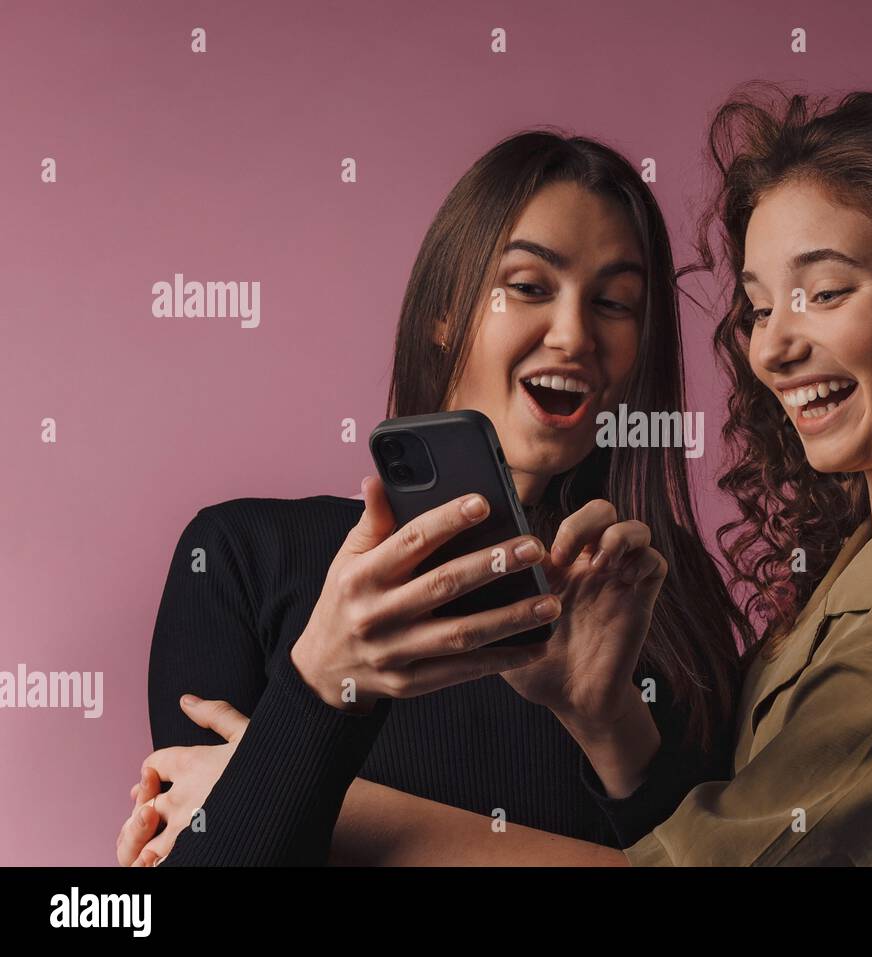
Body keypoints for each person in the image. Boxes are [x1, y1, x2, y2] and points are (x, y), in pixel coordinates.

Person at [116, 130, 748, 866]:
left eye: (614, 302)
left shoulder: (652, 594)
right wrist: (322, 683)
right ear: (443, 311)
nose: (575, 334)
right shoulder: (238, 557)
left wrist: (609, 720)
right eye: (530, 286)